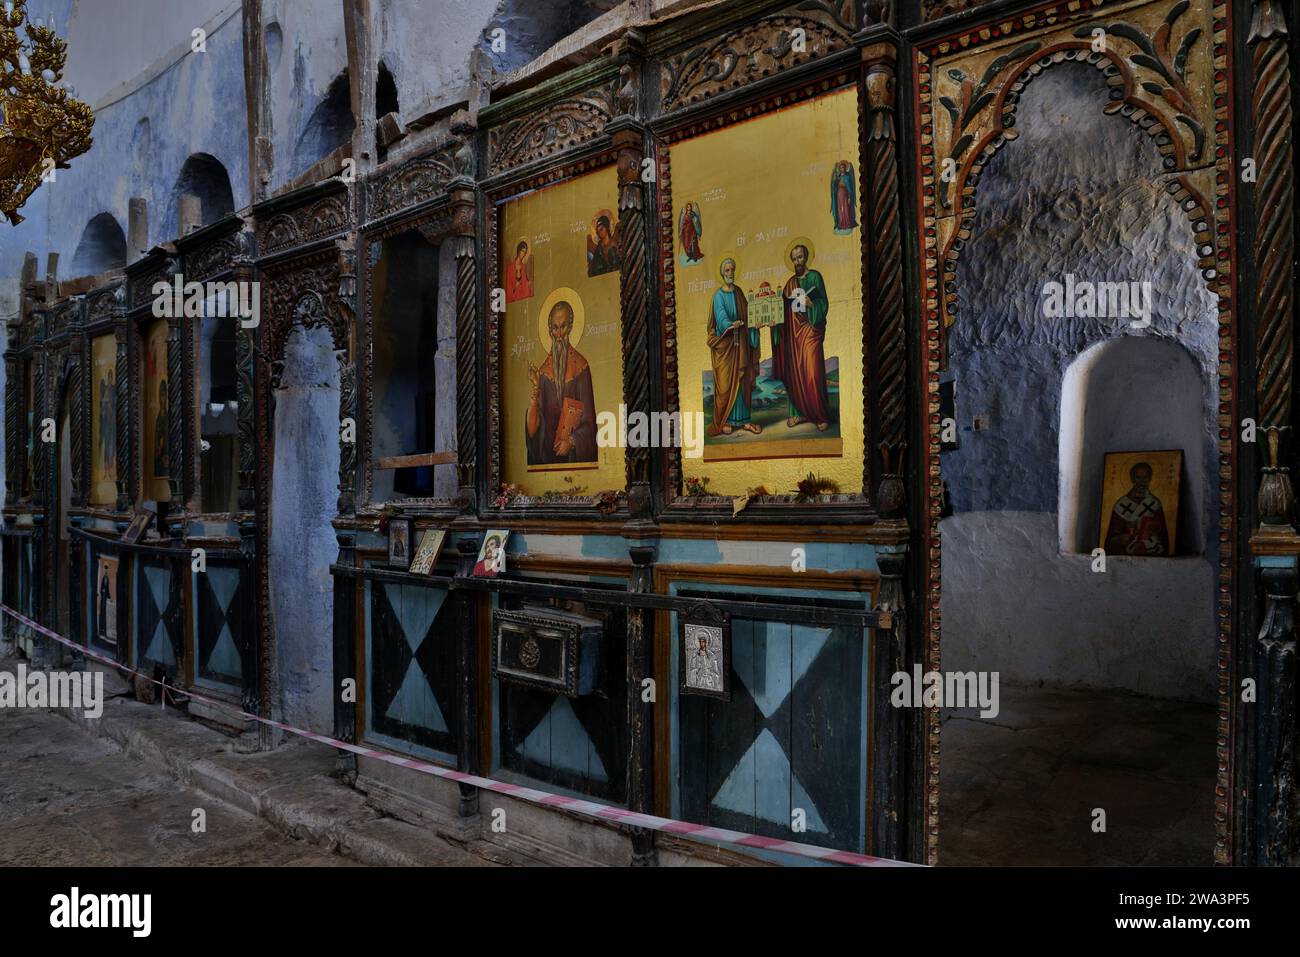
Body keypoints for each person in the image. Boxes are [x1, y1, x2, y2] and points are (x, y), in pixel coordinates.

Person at [526, 300, 598, 465]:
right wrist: (536, 388)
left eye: (563, 326)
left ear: (571, 326)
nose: (559, 335)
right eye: (555, 328)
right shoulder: (544, 373)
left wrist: (572, 442)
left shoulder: (581, 367)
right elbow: (533, 431)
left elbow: (589, 423)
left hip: (574, 459)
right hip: (547, 461)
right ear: (550, 331)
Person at [772, 244, 831, 430]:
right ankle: (798, 413)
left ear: (806, 257)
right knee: (794, 374)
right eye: (794, 258)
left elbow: (824, 303)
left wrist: (812, 303)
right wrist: (774, 321)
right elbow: (781, 311)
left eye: (800, 257)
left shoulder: (815, 276)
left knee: (813, 373)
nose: (797, 261)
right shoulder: (790, 283)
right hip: (793, 337)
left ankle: (820, 414)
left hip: (811, 331)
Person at [706, 258, 761, 436]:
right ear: (722, 273)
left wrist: (755, 326)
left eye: (732, 270)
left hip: (741, 345)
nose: (731, 273)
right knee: (726, 384)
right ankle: (726, 421)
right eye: (727, 270)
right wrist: (731, 324)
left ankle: (744, 421)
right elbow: (720, 318)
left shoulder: (738, 292)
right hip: (726, 347)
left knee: (742, 380)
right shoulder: (718, 296)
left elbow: (748, 314)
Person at [1103, 461, 1171, 556]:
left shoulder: (1155, 504)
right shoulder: (1121, 505)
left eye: (1145, 477)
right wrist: (1121, 538)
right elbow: (1111, 540)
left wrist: (1151, 539)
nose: (1141, 482)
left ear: (1150, 478)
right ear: (1132, 478)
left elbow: (1163, 536)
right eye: (1138, 477)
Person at [830, 160, 857, 232]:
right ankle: (841, 224)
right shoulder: (838, 177)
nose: (842, 169)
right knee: (840, 209)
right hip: (839, 195)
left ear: (845, 168)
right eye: (841, 168)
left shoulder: (847, 177)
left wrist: (849, 197)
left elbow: (849, 188)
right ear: (839, 169)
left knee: (845, 208)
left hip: (845, 194)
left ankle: (847, 224)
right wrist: (834, 181)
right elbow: (834, 187)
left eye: (843, 168)